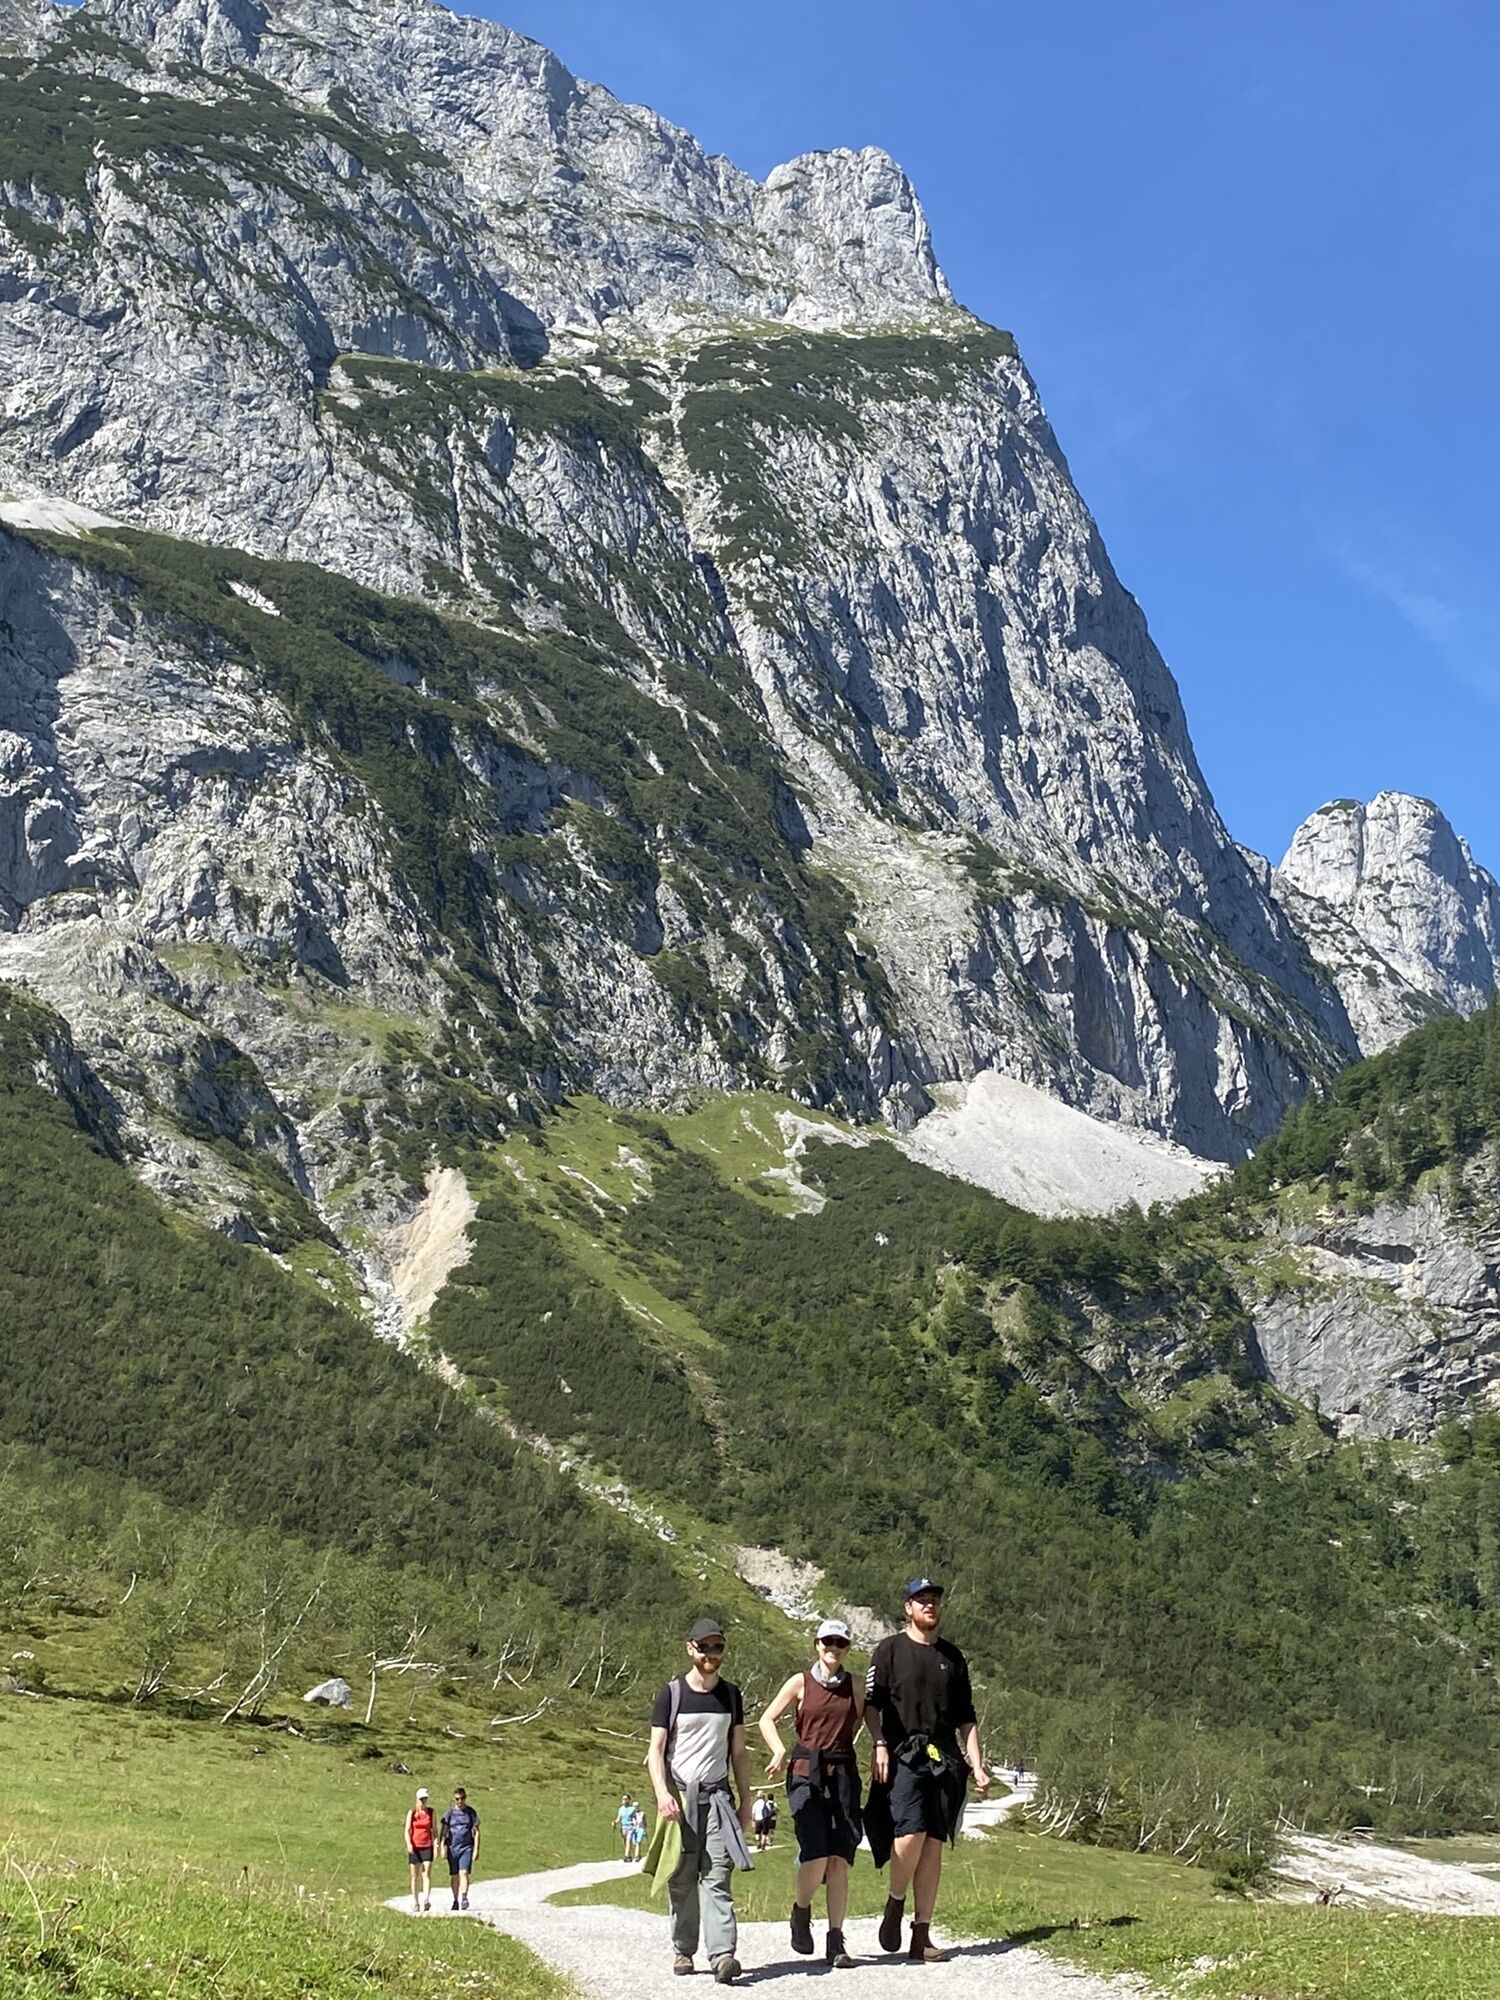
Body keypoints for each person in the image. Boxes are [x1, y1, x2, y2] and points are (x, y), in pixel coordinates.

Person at [865, 1578, 990, 1964]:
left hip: (945, 1758)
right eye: (922, 1601)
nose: (930, 1606)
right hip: (904, 1753)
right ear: (908, 1608)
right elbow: (871, 1706)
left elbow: (966, 1717)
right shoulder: (887, 1651)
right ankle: (895, 1902)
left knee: (934, 1841)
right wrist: (880, 1743)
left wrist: (977, 1764)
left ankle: (922, 1932)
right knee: (910, 1833)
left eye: (934, 1601)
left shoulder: (953, 1657)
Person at [647, 1614, 754, 1984]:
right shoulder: (671, 1694)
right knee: (682, 1876)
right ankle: (683, 1949)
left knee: (718, 1874)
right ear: (690, 1648)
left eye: (718, 1647)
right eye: (705, 1646)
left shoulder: (731, 1695)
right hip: (679, 1797)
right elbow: (655, 1751)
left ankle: (723, 1955)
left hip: (717, 1797)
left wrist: (745, 1800)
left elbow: (738, 1752)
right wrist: (663, 1795)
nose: (712, 1653)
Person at [758, 1617, 865, 1970]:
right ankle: (801, 1911)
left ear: (847, 1648)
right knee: (815, 1851)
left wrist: (880, 1744)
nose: (833, 1648)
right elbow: (767, 1718)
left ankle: (836, 1940)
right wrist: (778, 1750)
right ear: (816, 1644)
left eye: (840, 1643)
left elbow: (864, 1720)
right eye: (827, 1642)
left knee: (840, 1856)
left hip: (844, 1774)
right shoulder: (800, 1682)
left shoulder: (855, 1686)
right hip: (807, 1772)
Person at [440, 1785, 481, 1912]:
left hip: (466, 1847)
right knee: (454, 1875)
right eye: (457, 1799)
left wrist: (476, 1850)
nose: (460, 1801)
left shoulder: (470, 1813)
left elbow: (477, 1831)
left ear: (465, 1798)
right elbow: (444, 1832)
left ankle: (464, 1897)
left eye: (462, 1798)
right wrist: (442, 1847)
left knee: (463, 1872)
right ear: (454, 1799)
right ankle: (455, 1900)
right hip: (452, 1848)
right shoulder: (450, 1814)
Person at [403, 1786, 436, 1914]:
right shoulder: (412, 1813)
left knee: (426, 1872)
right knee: (414, 1876)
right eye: (421, 1799)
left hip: (427, 1845)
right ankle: (415, 1900)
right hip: (415, 1846)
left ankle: (426, 1899)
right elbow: (406, 1830)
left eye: (425, 1799)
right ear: (417, 1799)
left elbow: (434, 1830)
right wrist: (409, 1844)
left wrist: (436, 1844)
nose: (423, 1801)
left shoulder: (431, 1812)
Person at [616, 1792, 638, 1860]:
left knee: (628, 1841)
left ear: (629, 1800)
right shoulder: (621, 1809)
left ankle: (626, 1856)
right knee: (626, 1842)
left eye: (625, 1799)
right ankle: (630, 1855)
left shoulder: (632, 1809)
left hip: (630, 1827)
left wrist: (635, 1826)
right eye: (623, 1799)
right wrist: (614, 1822)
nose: (624, 1801)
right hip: (623, 1827)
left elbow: (635, 1818)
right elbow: (618, 1819)